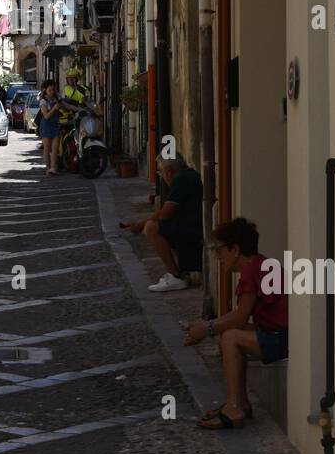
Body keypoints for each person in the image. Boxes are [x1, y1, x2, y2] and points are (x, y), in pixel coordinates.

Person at [182, 216, 288, 430]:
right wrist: (207, 326)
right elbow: (239, 317)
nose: (219, 258)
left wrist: (206, 329)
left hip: (280, 339)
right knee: (229, 333)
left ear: (235, 249)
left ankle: (234, 407)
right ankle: (241, 403)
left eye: (220, 251)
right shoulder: (262, 264)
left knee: (230, 337)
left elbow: (240, 316)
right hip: (278, 333)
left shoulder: (251, 271)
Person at [122, 152, 203, 292]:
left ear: (169, 171)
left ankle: (175, 276)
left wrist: (140, 225)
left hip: (194, 232)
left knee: (152, 227)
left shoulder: (180, 180)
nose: (162, 177)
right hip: (192, 227)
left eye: (160, 172)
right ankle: (180, 272)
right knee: (159, 226)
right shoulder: (188, 175)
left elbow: (165, 213)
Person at [36, 79, 61, 176]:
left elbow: (65, 105)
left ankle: (53, 168)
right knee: (47, 147)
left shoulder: (57, 98)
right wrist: (54, 108)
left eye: (53, 90)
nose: (52, 92)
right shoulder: (43, 101)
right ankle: (47, 168)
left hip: (55, 125)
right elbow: (46, 116)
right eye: (50, 90)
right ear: (45, 90)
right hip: (46, 126)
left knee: (55, 147)